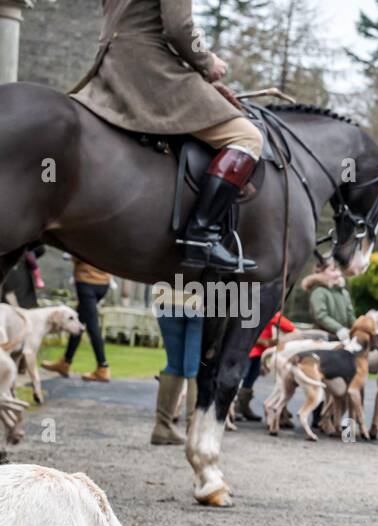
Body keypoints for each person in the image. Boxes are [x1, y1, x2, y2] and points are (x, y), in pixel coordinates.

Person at [70, 0, 264, 274]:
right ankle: (202, 235)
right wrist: (207, 61)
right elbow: (178, 27)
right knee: (248, 137)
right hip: (150, 69)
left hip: (110, 66)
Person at [42, 258, 113, 382]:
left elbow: (77, 254)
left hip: (87, 280)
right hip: (104, 282)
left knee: (92, 325)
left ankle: (103, 367)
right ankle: (65, 363)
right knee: (79, 322)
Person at [151, 285, 203, 444]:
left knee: (174, 365)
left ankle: (162, 427)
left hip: (166, 297)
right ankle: (194, 431)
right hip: (198, 299)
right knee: (195, 368)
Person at [233, 311, 296, 424]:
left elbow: (288, 326)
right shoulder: (266, 311)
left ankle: (242, 406)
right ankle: (234, 406)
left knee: (249, 379)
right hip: (248, 350)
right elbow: (290, 328)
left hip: (258, 351)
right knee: (241, 378)